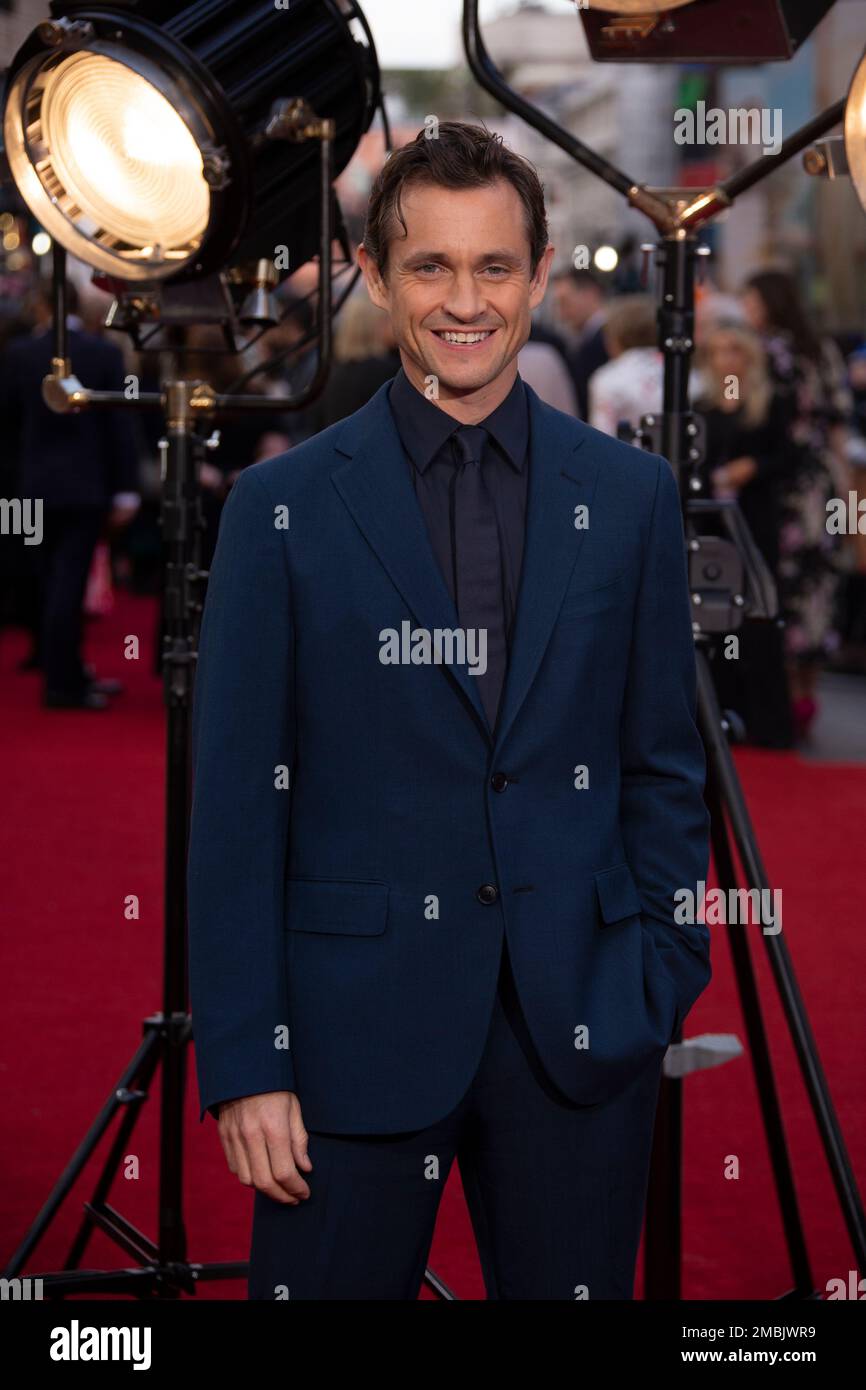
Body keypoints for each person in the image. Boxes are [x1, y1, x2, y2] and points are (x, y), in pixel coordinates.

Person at [187, 121, 711, 1301]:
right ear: (375, 277)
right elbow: (232, 808)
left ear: (537, 274)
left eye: (491, 267)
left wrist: (657, 972)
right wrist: (248, 1057)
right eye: (429, 266)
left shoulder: (629, 500)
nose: (461, 301)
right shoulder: (280, 510)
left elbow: (661, 767)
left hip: (579, 1029)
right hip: (344, 1039)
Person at [1, 280, 140, 710]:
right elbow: (120, 427)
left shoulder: (19, 354)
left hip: (29, 490)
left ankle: (59, 666)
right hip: (83, 487)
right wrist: (126, 490)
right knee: (68, 581)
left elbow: (6, 428)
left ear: (41, 305)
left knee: (43, 577)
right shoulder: (103, 353)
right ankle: (63, 681)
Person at [742, 269, 854, 739]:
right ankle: (807, 696)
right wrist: (848, 499)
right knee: (818, 583)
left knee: (780, 585)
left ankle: (785, 704)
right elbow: (840, 426)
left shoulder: (769, 353)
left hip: (783, 487)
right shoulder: (822, 349)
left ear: (767, 302)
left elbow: (755, 417)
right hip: (822, 483)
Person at [695, 321, 797, 747]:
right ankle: (722, 716)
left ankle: (768, 722)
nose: (726, 359)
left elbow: (789, 458)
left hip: (754, 522)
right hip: (714, 527)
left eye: (734, 350)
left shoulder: (768, 404)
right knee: (717, 618)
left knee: (759, 616)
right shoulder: (704, 406)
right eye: (718, 351)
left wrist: (752, 468)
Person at [588, 295, 663, 440]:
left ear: (616, 336)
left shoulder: (608, 378)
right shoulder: (687, 374)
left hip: (630, 459)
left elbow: (601, 437)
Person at [551, 267, 609, 418]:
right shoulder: (590, 339)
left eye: (564, 302)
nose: (561, 314)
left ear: (590, 294)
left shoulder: (603, 342)